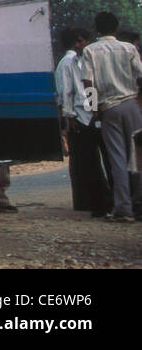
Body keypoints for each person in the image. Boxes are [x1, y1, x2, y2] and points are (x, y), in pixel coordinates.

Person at [80, 11, 142, 221]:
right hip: (132, 104)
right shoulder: (129, 48)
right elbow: (140, 76)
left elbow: (87, 81)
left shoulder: (90, 50)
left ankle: (123, 208)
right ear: (116, 28)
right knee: (138, 156)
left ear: (96, 29)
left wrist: (94, 108)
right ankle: (139, 204)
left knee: (117, 158)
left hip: (108, 109)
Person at [55, 26, 110, 217]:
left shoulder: (80, 60)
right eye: (82, 41)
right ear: (75, 42)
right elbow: (67, 92)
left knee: (87, 162)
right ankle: (96, 202)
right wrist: (69, 116)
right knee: (87, 162)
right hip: (80, 116)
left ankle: (92, 201)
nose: (85, 44)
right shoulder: (68, 62)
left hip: (87, 114)